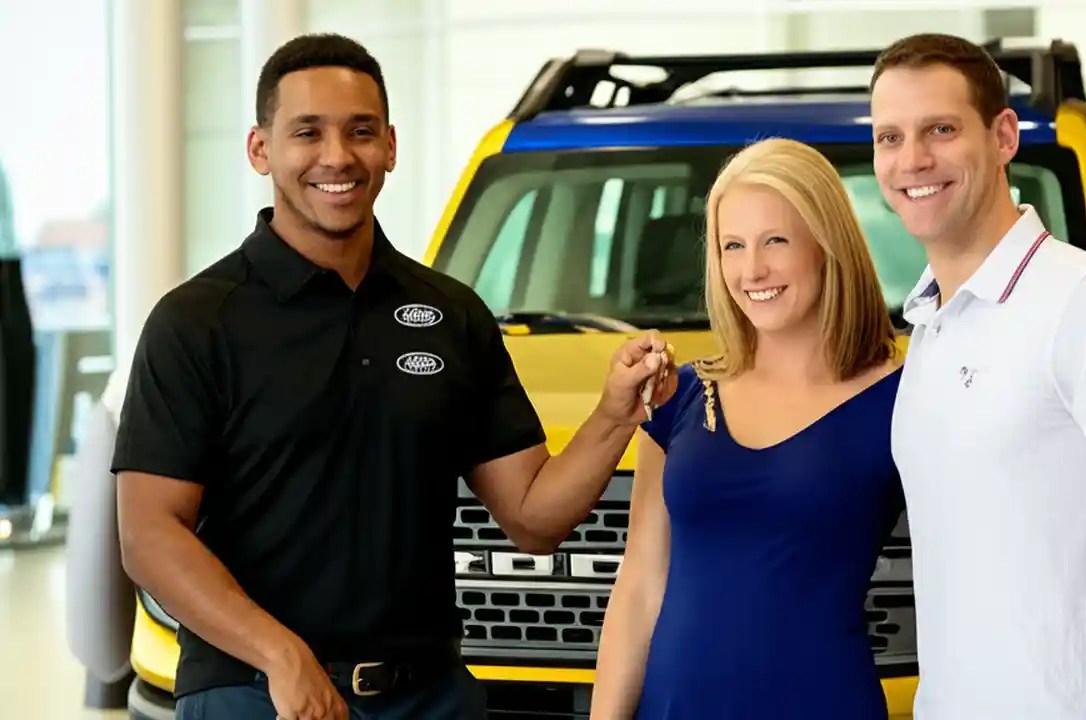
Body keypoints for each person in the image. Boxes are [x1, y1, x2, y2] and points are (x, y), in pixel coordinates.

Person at [111, 33, 675, 720]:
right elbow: (149, 534)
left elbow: (533, 518)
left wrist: (614, 414)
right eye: (307, 133)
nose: (337, 156)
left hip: (428, 696)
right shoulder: (196, 321)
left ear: (390, 146)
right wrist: (281, 656)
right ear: (261, 150)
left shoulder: (452, 315)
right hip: (254, 694)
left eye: (360, 131)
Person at [870, 33, 1086, 719]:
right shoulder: (932, 325)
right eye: (890, 137)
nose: (912, 160)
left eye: (941, 129)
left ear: (1003, 136)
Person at [590, 137, 906, 719]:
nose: (752, 269)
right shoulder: (680, 395)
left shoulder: (900, 401)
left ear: (826, 244)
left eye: (775, 240)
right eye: (732, 245)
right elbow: (639, 586)